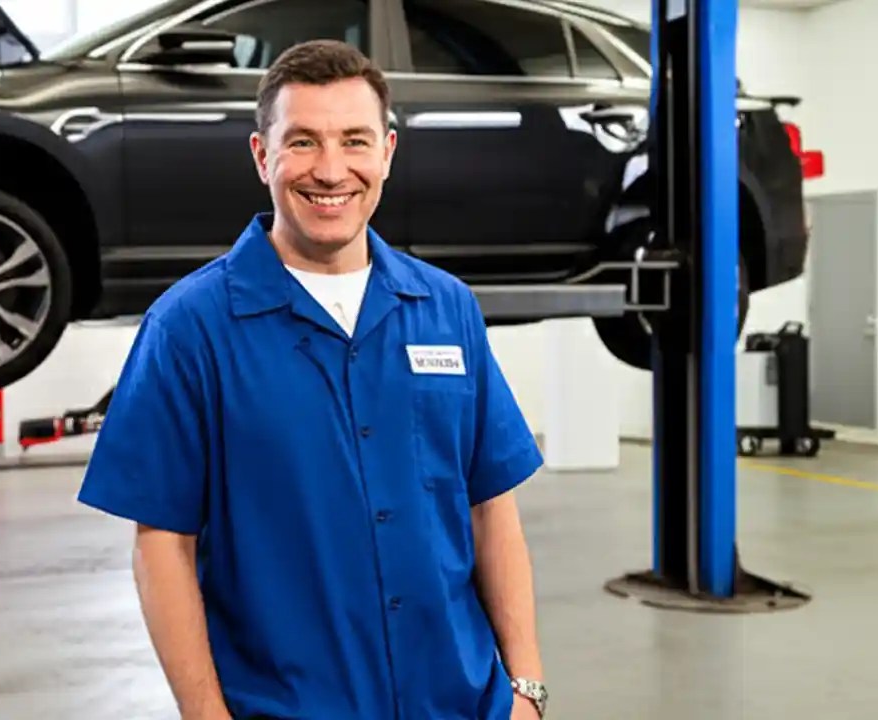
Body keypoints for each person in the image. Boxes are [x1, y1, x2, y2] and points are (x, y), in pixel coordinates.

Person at [78, 39, 549, 720]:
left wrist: (526, 690)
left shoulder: (446, 309)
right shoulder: (189, 329)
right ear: (261, 156)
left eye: (354, 141)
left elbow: (490, 512)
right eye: (302, 142)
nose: (332, 171)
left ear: (387, 151)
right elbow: (162, 546)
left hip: (460, 703)